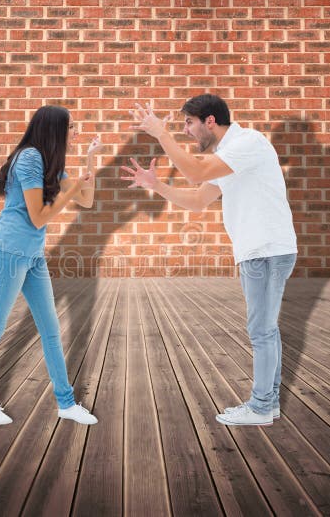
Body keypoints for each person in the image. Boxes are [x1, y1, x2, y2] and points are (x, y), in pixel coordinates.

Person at [122, 94, 298, 426]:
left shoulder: (248, 143)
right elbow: (198, 199)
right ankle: (269, 403)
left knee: (260, 330)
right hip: (260, 250)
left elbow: (193, 172)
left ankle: (260, 407)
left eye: (189, 123)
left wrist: (162, 134)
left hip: (266, 250)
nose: (187, 131)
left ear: (211, 121)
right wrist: (156, 185)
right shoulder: (228, 156)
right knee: (266, 330)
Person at [0, 105, 103, 426]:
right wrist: (72, 187)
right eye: (72, 127)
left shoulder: (50, 162)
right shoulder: (30, 158)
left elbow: (86, 200)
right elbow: (38, 217)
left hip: (31, 256)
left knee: (50, 330)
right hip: (8, 255)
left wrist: (88, 159)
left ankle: (66, 403)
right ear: (55, 129)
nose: (76, 132)